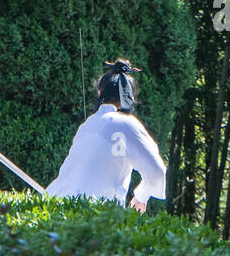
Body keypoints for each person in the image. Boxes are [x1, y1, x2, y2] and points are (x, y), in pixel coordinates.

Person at [46, 59, 167, 212]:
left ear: (100, 92)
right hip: (91, 217)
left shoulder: (87, 125)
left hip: (54, 206)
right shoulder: (126, 124)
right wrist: (141, 196)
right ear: (131, 97)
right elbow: (156, 172)